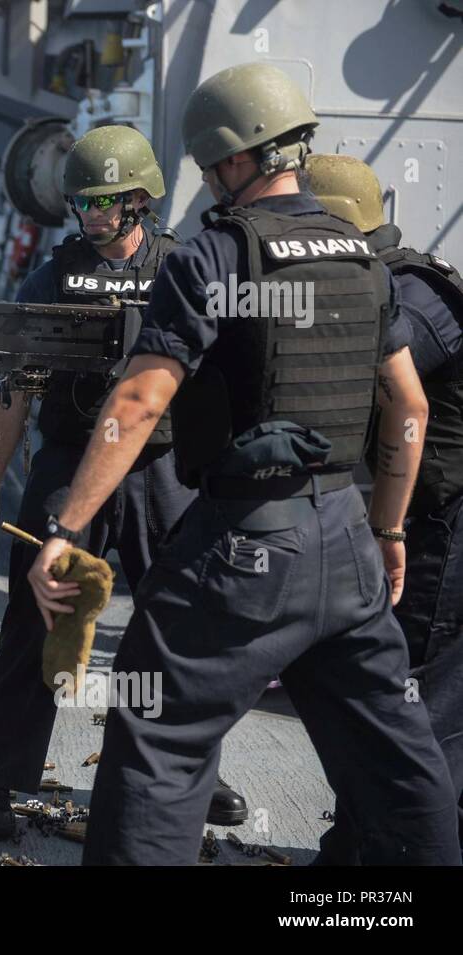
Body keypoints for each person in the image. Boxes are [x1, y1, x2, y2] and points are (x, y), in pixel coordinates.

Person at [27, 62, 459, 864]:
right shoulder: (364, 258)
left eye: (207, 165)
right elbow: (409, 409)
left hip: (246, 545)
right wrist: (388, 530)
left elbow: (137, 405)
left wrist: (65, 529)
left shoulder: (212, 255)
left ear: (231, 158)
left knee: (157, 732)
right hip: (348, 548)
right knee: (397, 761)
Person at [0, 124, 246, 839]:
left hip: (164, 467)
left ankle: (190, 776)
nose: (92, 214)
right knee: (36, 617)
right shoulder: (53, 276)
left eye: (106, 201)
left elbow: (230, 378)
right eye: (83, 201)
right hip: (71, 462)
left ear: (141, 200)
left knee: (183, 628)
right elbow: (16, 388)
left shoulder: (185, 265)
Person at [307, 153, 463, 863]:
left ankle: (382, 859)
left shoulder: (414, 291)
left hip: (444, 530)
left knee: (418, 703)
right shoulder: (385, 280)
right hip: (429, 521)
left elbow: (387, 383)